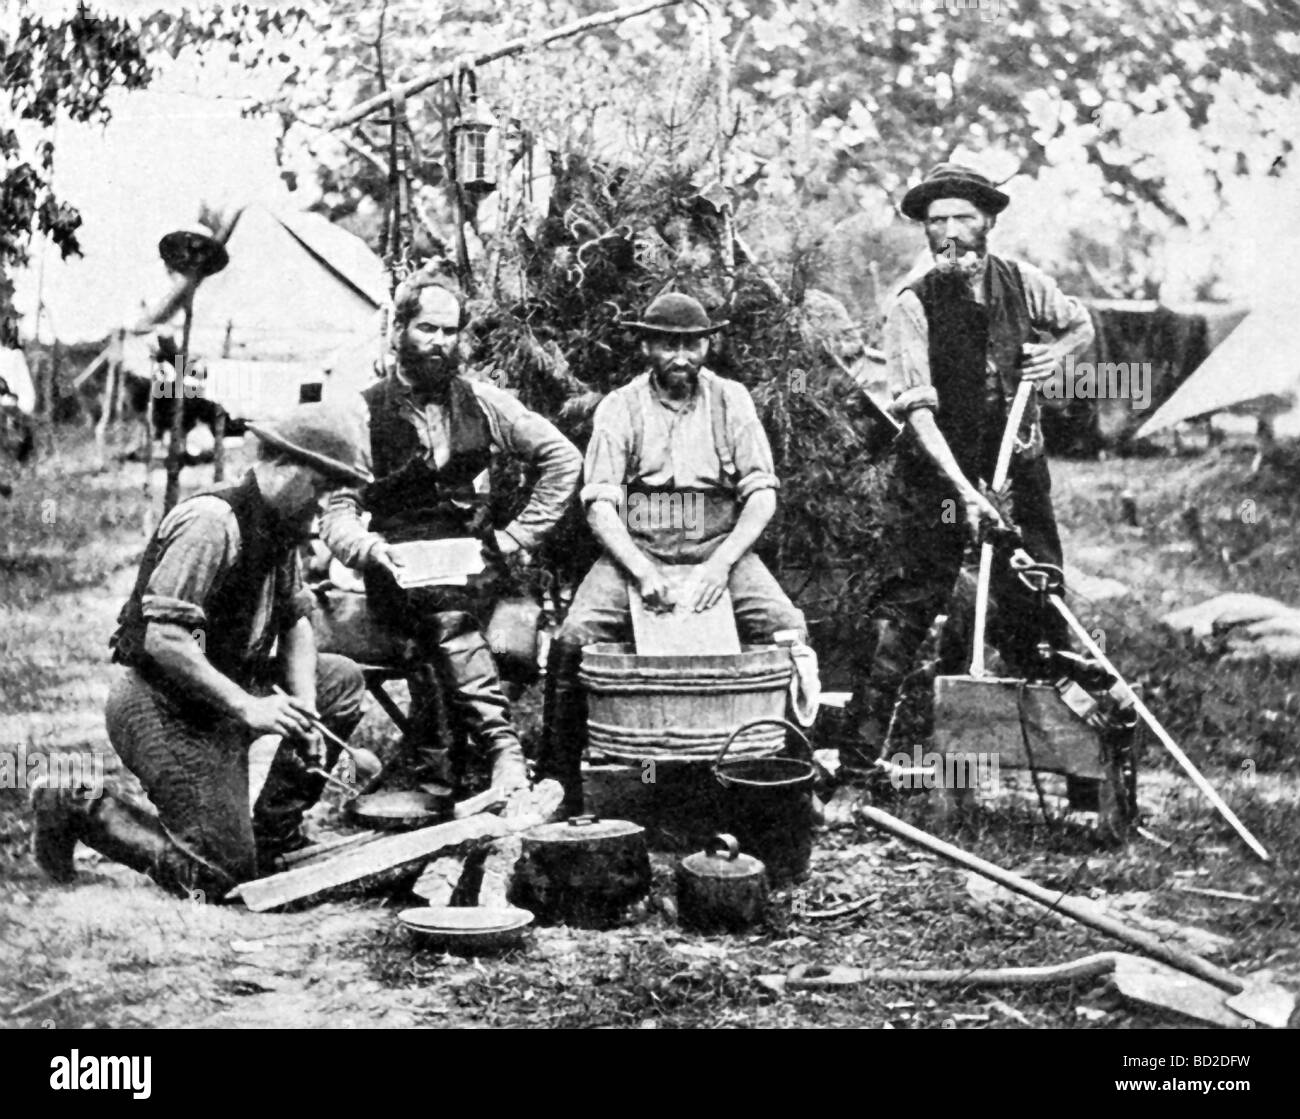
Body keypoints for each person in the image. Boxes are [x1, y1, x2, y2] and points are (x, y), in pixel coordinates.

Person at [31, 405, 372, 900]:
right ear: (279, 464)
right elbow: (163, 638)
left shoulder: (283, 529)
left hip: (225, 694)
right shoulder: (212, 523)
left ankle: (273, 836)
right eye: (319, 488)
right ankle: (76, 801)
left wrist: (306, 708)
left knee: (339, 680)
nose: (322, 509)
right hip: (166, 706)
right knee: (220, 877)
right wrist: (250, 707)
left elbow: (296, 618)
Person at [836, 163, 1095, 795]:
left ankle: (1080, 766)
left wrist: (1056, 353)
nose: (950, 232)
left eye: (963, 218)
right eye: (936, 221)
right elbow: (917, 412)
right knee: (904, 613)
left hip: (1016, 470)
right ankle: (858, 769)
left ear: (988, 222)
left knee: (1040, 601)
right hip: (936, 481)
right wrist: (964, 493)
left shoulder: (1022, 282)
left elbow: (1080, 323)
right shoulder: (912, 302)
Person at [537, 292, 808, 812]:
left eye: (692, 344)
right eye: (667, 344)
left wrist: (722, 563)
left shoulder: (733, 400)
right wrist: (640, 570)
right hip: (639, 544)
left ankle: (789, 777)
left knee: (786, 625)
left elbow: (762, 494)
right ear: (645, 345)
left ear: (710, 343)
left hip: (715, 543)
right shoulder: (621, 406)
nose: (681, 357)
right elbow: (598, 505)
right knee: (573, 640)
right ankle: (558, 786)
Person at [320, 270, 581, 794]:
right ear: (398, 332)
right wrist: (369, 549)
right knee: (437, 607)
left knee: (441, 618)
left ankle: (434, 772)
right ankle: (501, 749)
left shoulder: (482, 401)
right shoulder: (360, 410)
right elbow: (336, 513)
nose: (439, 342)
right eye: (426, 328)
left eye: (450, 330)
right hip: (397, 564)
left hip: (476, 562)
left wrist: (517, 537)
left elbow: (562, 459)